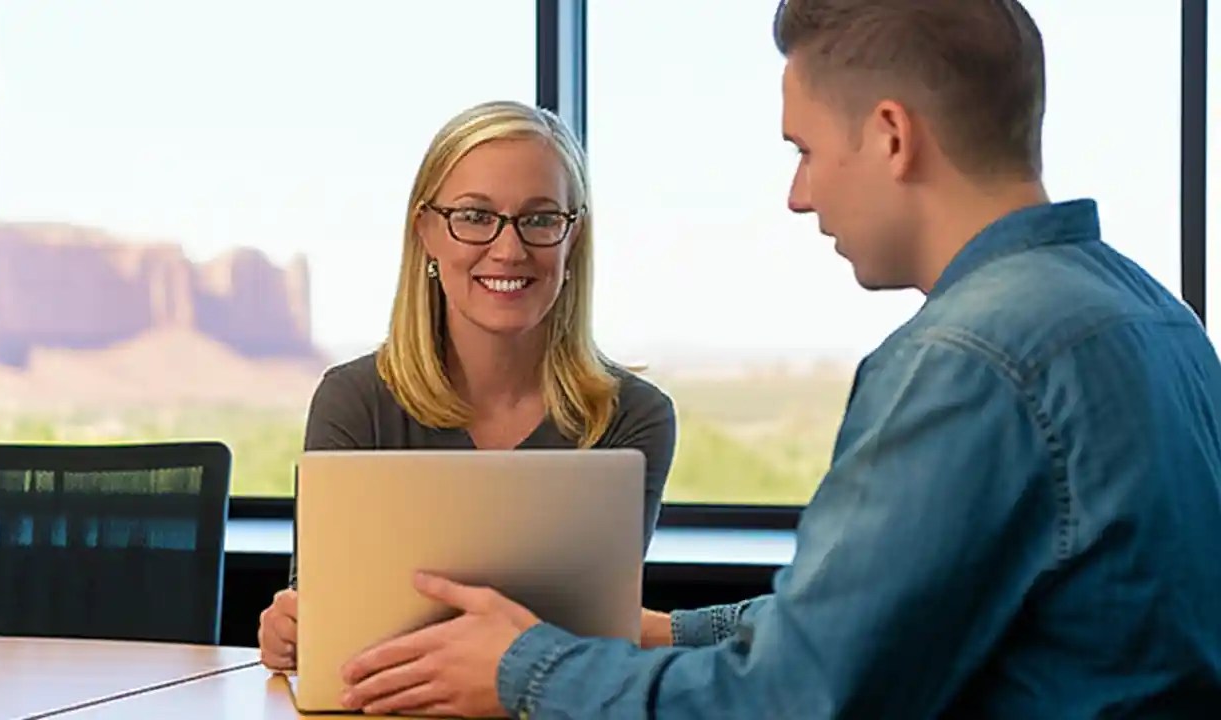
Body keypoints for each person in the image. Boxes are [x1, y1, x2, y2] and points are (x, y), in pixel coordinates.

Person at [332, 0, 1221, 717]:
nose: (800, 196)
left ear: (889, 135)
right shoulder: (1156, 319)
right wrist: (666, 633)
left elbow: (792, 698)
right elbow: (868, 614)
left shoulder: (966, 361)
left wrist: (527, 669)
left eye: (805, 151)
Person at [256, 100, 677, 674]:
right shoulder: (354, 400)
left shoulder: (632, 417)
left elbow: (595, 638)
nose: (509, 249)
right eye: (475, 216)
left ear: (573, 236)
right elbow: (323, 617)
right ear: (426, 230)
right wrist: (293, 628)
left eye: (540, 218)